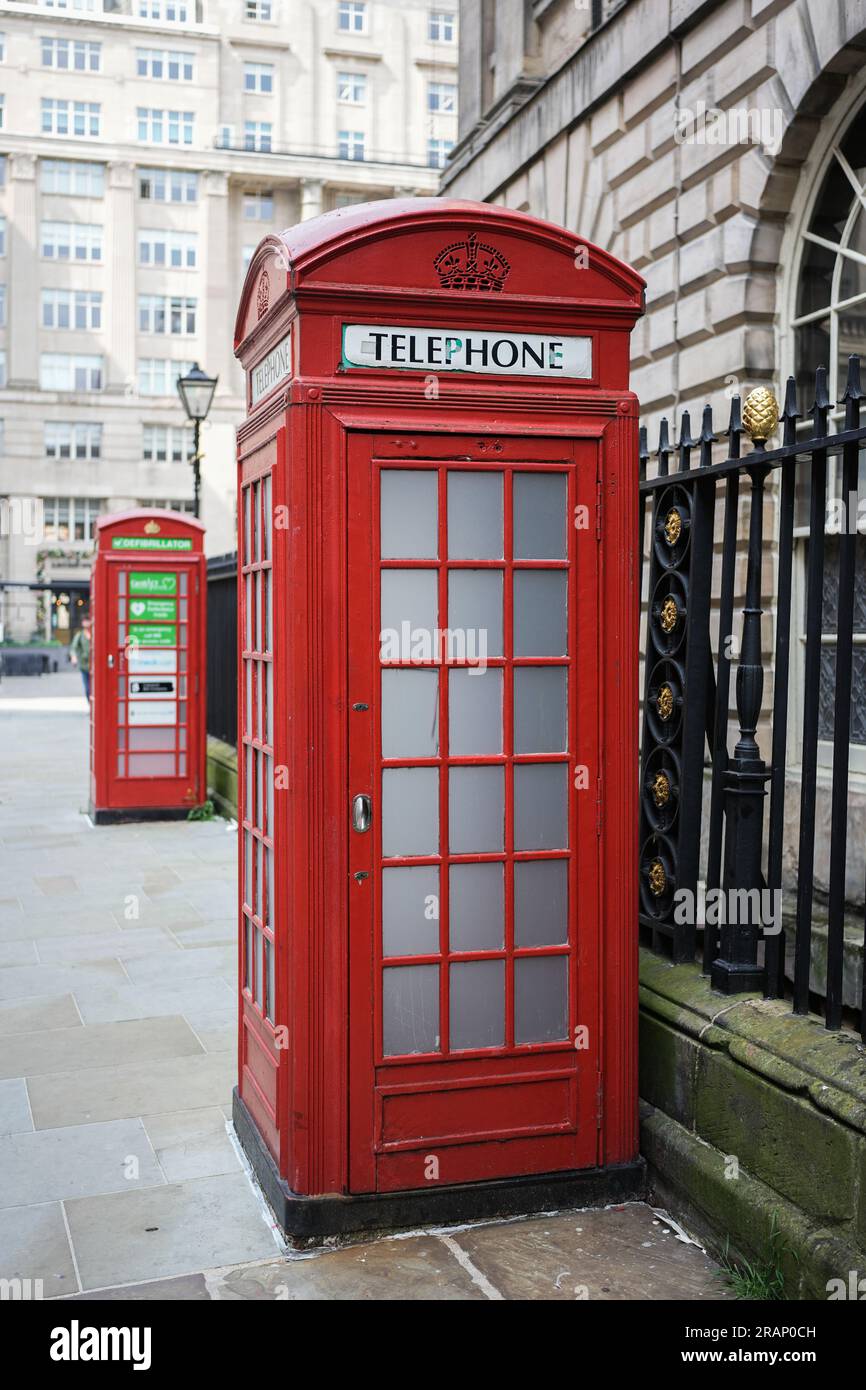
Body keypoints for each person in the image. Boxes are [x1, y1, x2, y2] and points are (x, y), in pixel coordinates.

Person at [70, 615, 92, 700]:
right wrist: (74, 657)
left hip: (95, 666)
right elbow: (73, 648)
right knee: (87, 688)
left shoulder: (95, 634)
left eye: (88, 620)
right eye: (85, 621)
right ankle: (90, 706)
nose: (86, 623)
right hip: (84, 665)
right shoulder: (79, 635)